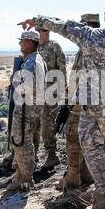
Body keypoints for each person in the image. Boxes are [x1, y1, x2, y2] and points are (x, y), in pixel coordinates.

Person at [23, 6, 105, 209]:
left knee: (90, 145)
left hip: (95, 103)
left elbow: (62, 25)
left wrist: (37, 20)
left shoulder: (91, 36)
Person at [58, 12, 100, 191]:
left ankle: (73, 175)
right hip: (89, 101)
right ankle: (85, 172)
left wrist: (71, 100)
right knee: (88, 138)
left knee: (74, 137)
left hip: (81, 103)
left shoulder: (89, 50)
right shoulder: (92, 49)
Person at [9, 31, 46, 192]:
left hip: (26, 107)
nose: (20, 44)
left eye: (22, 42)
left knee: (22, 140)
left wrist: (14, 80)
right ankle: (21, 174)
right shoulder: (38, 60)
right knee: (25, 139)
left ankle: (25, 178)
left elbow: (26, 87)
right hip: (33, 106)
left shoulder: (31, 62)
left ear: (31, 43)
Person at [36, 31, 66, 169]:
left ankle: (52, 154)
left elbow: (62, 68)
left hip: (50, 92)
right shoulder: (34, 46)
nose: (44, 33)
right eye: (41, 30)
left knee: (47, 124)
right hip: (34, 92)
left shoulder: (54, 47)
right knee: (33, 124)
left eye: (45, 30)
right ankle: (32, 155)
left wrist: (61, 89)